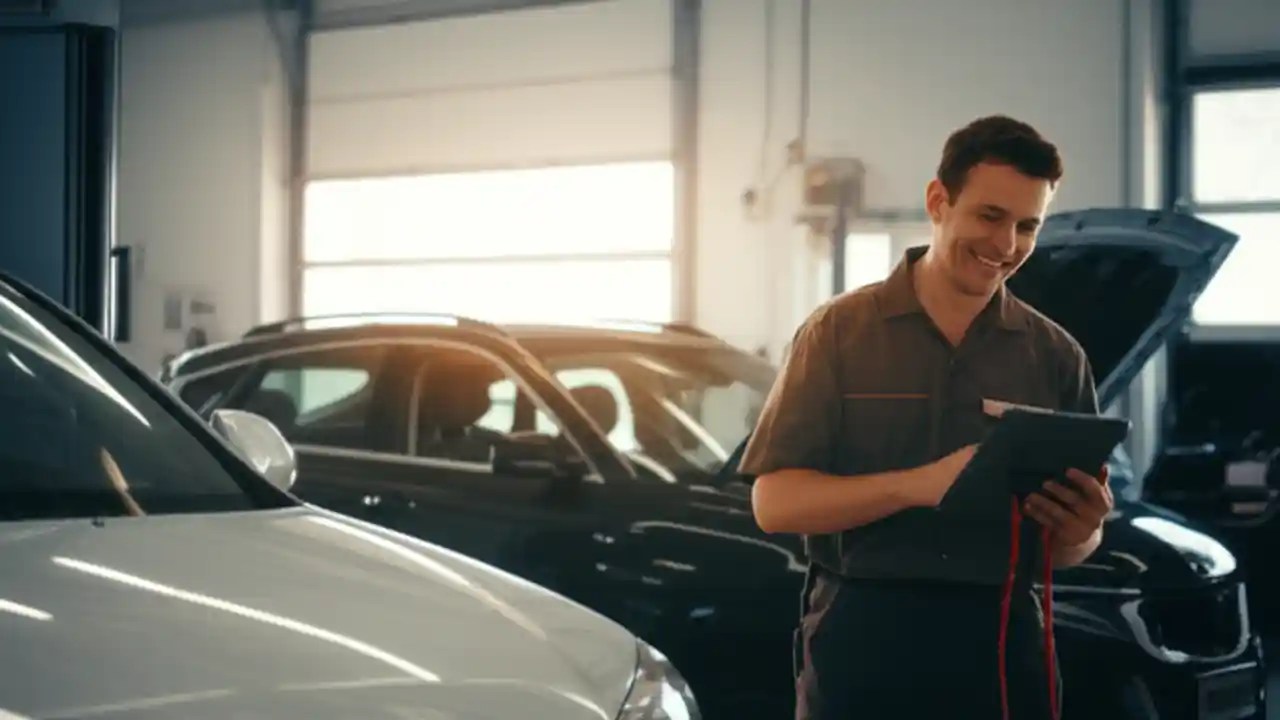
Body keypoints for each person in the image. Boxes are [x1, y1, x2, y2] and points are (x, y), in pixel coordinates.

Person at [738, 115, 1115, 720]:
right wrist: (921, 485)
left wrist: (1082, 532)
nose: (1005, 245)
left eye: (1026, 226)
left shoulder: (1056, 356)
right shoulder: (838, 334)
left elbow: (1069, 550)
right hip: (864, 635)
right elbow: (775, 504)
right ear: (938, 201)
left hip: (1001, 642)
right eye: (990, 217)